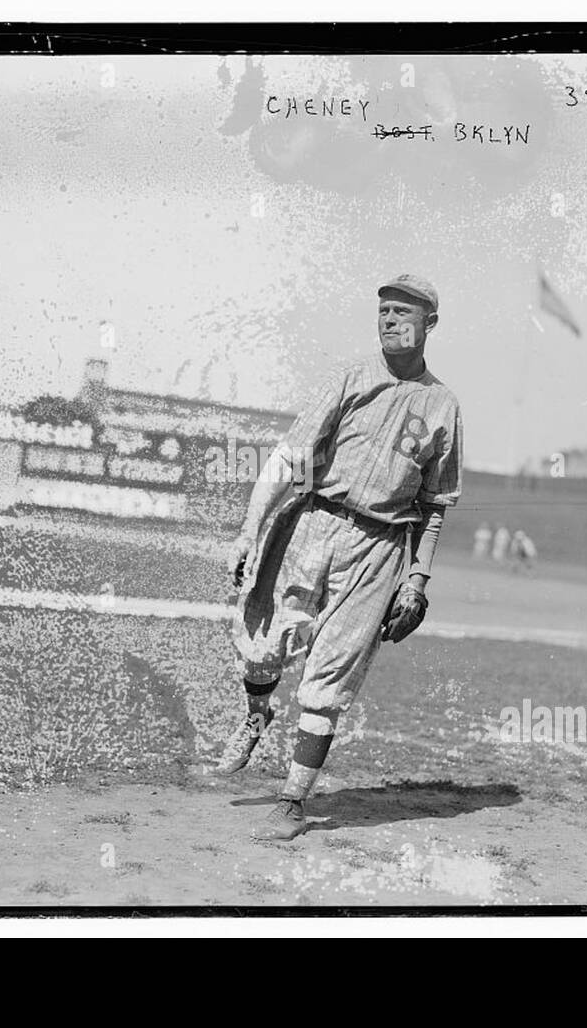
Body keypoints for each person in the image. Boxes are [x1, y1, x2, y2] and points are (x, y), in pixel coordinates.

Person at [220, 274, 463, 841]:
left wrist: (416, 581)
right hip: (313, 523)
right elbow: (290, 458)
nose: (390, 319)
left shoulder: (443, 406)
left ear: (430, 323)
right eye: (383, 310)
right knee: (261, 646)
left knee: (331, 674)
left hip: (379, 548)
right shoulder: (349, 378)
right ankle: (257, 713)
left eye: (405, 311)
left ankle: (291, 804)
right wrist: (250, 530)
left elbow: (434, 506)